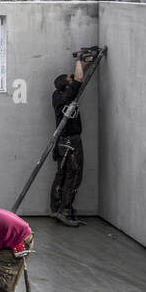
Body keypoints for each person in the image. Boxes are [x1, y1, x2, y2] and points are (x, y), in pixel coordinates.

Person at [49, 50, 93, 227]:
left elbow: (77, 76)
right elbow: (79, 79)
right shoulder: (67, 96)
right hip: (70, 142)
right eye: (70, 80)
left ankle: (57, 209)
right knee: (73, 175)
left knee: (62, 174)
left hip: (62, 141)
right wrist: (79, 58)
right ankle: (65, 211)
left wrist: (86, 60)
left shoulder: (58, 94)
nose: (72, 79)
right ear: (68, 86)